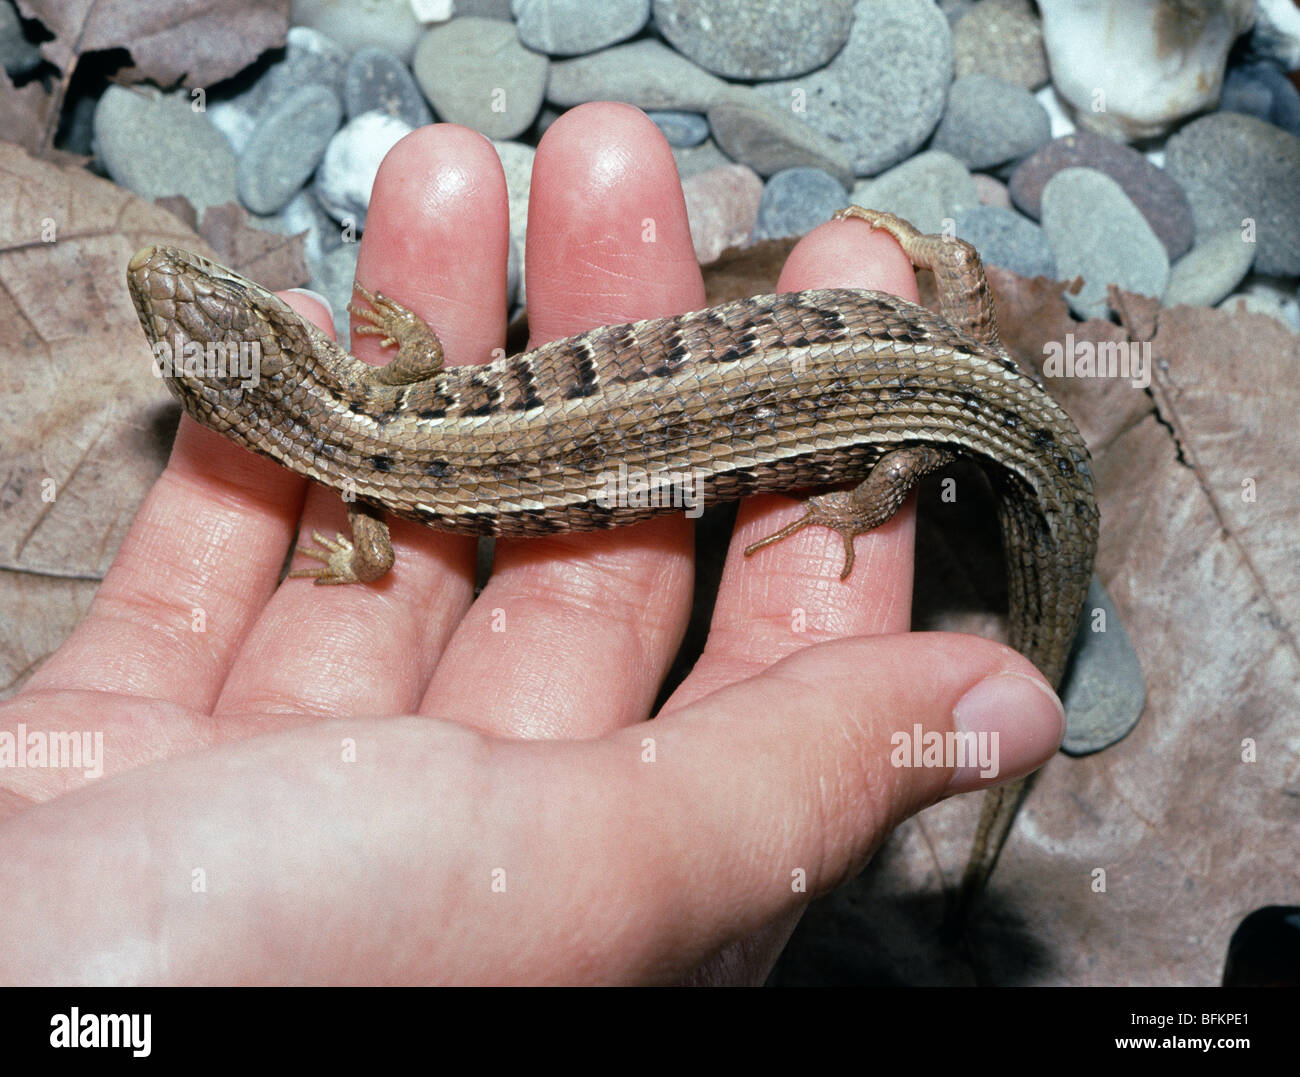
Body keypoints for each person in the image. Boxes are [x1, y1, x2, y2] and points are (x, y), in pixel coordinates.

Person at [0, 103, 1063, 984]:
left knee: (889, 458)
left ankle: (895, 476)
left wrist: (862, 501)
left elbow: (365, 558)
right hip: (894, 403)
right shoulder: (390, 390)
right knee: (902, 402)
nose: (169, 280)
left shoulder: (367, 497)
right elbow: (413, 355)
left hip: (892, 428)